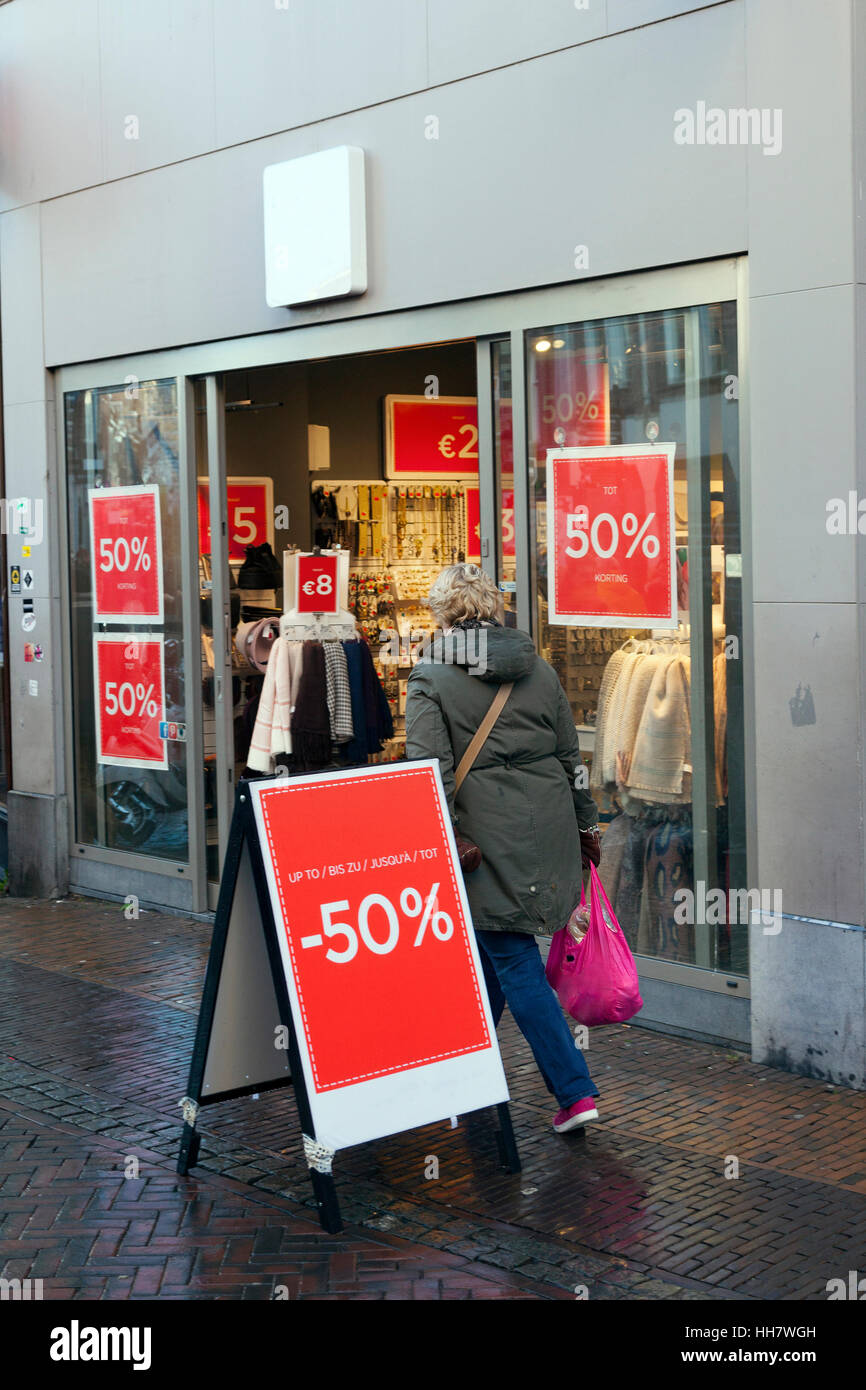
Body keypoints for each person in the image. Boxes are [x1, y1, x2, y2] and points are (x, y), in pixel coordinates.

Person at [405, 563, 602, 1133]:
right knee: (494, 952)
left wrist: (443, 837)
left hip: (484, 845)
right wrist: (588, 829)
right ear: (494, 608)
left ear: (442, 614)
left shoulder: (431, 676)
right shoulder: (539, 669)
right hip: (552, 829)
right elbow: (571, 762)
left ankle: (575, 1090)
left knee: (512, 959)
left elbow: (426, 771)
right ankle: (463, 1075)